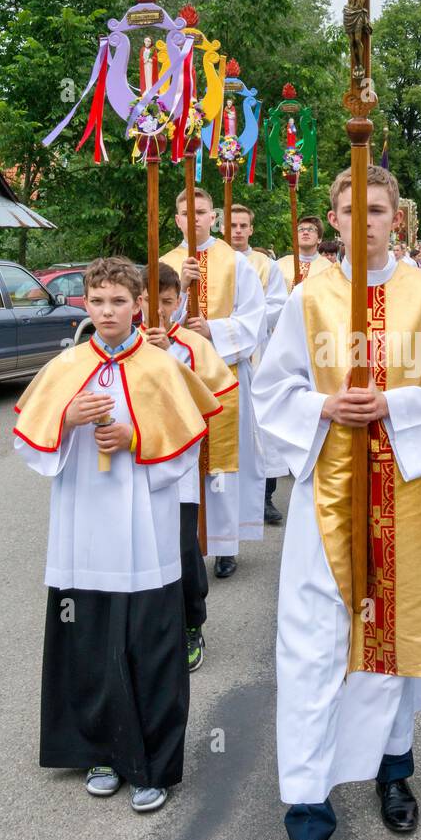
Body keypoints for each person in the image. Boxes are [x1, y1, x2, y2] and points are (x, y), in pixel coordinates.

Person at [252, 164, 421, 840]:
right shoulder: (308, 296)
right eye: (350, 210)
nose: (365, 222)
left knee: (389, 632)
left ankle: (393, 769)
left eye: (377, 209)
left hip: (403, 491)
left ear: (397, 220)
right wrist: (322, 408)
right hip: (327, 493)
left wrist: (394, 407)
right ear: (335, 218)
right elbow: (273, 386)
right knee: (314, 645)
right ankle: (307, 815)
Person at [13, 257, 222, 813]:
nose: (106, 312)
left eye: (118, 302)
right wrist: (66, 420)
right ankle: (103, 751)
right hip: (83, 530)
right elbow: (28, 444)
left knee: (148, 643)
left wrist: (137, 437)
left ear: (137, 306)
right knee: (89, 641)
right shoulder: (67, 366)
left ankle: (151, 763)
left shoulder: (159, 366)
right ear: (85, 303)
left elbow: (187, 446)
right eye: (97, 301)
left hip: (144, 530)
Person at [161, 187, 266, 581]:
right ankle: (187, 541)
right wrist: (182, 293)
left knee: (221, 463)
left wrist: (213, 329)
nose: (195, 219)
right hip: (180, 378)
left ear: (213, 218)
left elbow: (254, 319)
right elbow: (155, 321)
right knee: (183, 460)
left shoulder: (236, 263)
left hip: (224, 375)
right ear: (177, 220)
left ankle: (224, 544)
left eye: (202, 212)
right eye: (187, 213)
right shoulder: (166, 262)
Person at [139, 262, 239, 672]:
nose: (158, 311)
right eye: (150, 301)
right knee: (142, 547)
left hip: (178, 468)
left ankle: (190, 623)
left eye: (167, 302)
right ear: (137, 300)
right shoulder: (121, 342)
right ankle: (148, 627)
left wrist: (167, 359)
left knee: (182, 547)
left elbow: (209, 399)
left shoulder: (192, 345)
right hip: (134, 465)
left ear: (179, 301)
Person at [228, 201, 289, 526]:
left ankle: (265, 497)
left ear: (251, 229)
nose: (237, 230)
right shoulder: (214, 260)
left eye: (243, 225)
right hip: (220, 357)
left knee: (262, 430)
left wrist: (245, 321)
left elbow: (278, 304)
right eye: (232, 225)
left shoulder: (265, 264)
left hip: (258, 354)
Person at [277, 215, 333, 291]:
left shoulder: (329, 269)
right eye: (301, 229)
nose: (305, 232)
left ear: (319, 239)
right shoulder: (280, 264)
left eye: (311, 229)